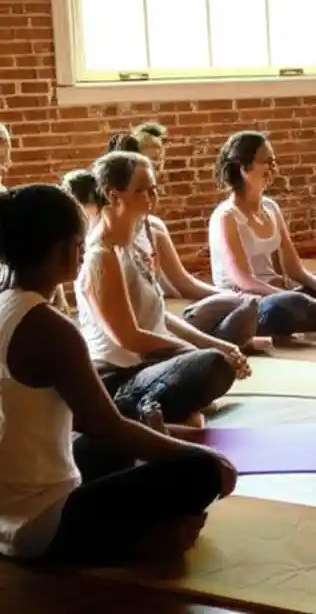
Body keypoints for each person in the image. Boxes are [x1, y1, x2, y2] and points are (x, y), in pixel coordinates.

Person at [0, 183, 236, 566]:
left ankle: (151, 529)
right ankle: (146, 537)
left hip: (7, 520)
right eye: (78, 242)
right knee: (201, 471)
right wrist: (201, 452)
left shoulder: (5, 308)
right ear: (63, 248)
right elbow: (106, 425)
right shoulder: (50, 328)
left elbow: (80, 419)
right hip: (45, 529)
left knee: (118, 443)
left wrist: (159, 440)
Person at [75, 152, 249, 426]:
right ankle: (145, 414)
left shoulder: (132, 244)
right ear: (113, 196)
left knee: (219, 355)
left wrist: (217, 343)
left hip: (148, 366)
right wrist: (191, 350)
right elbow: (129, 338)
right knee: (212, 365)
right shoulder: (102, 255)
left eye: (154, 189)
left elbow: (158, 317)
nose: (152, 197)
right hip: (117, 378)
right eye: (143, 190)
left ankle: (170, 414)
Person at [210, 131, 316, 335]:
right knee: (296, 304)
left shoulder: (271, 207)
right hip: (247, 303)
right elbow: (243, 280)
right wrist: (295, 297)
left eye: (274, 161)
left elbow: (295, 270)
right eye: (266, 161)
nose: (273, 168)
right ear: (243, 168)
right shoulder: (227, 216)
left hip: (281, 291)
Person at [101, 127, 260, 350]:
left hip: (166, 318)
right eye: (152, 162)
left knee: (245, 304)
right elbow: (128, 331)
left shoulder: (153, 227)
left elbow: (183, 282)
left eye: (160, 162)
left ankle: (230, 342)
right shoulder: (105, 248)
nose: (159, 170)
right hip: (151, 328)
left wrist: (238, 295)